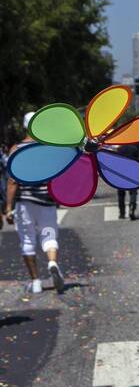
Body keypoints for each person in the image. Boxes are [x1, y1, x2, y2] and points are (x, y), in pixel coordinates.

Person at [5, 113, 66, 294]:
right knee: (49, 236)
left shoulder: (16, 149)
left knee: (28, 240)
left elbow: (12, 181)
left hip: (25, 201)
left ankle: (36, 281)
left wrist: (9, 207)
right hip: (46, 200)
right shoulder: (50, 148)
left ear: (24, 126)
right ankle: (53, 263)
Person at [113, 143, 139, 219]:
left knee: (121, 195)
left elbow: (115, 162)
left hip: (121, 174)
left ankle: (122, 213)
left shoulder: (119, 149)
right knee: (133, 193)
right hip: (132, 173)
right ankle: (132, 209)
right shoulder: (134, 149)